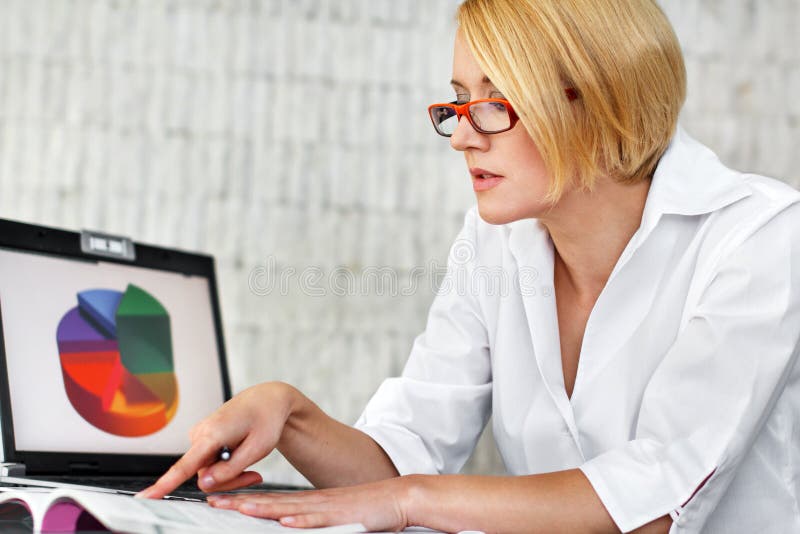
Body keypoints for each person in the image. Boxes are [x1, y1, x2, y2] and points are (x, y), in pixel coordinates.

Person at [138, 0, 800, 532]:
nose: (461, 135)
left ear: (599, 101)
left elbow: (657, 496)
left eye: (495, 102)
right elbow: (404, 457)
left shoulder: (760, 236)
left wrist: (415, 499)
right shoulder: (496, 240)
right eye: (457, 100)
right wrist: (290, 414)